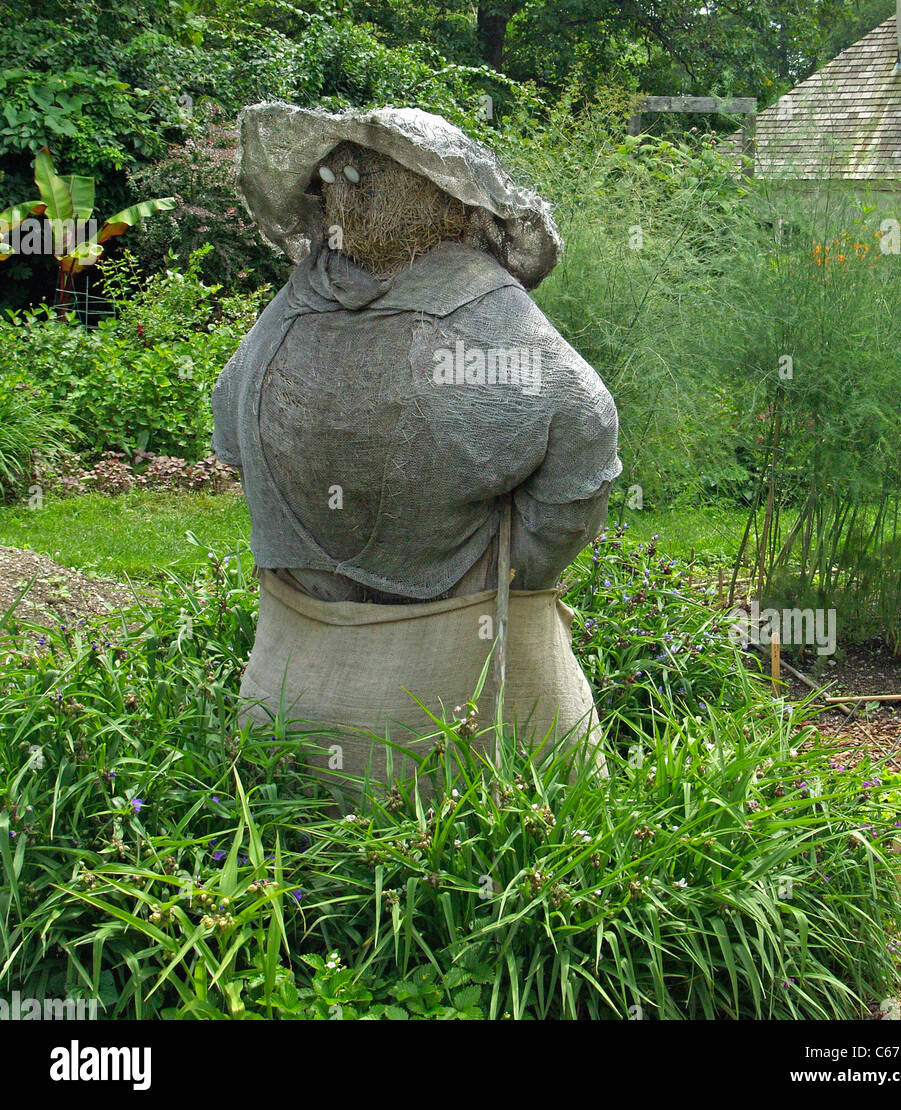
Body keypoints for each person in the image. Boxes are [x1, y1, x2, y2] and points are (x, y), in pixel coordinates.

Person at [213, 104, 620, 785]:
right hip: (314, 605)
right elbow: (233, 419)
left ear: (448, 200)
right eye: (338, 172)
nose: (348, 184)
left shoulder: (481, 305)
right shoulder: (302, 294)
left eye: (375, 171)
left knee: (329, 793)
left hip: (451, 616)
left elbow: (582, 422)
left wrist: (515, 567)